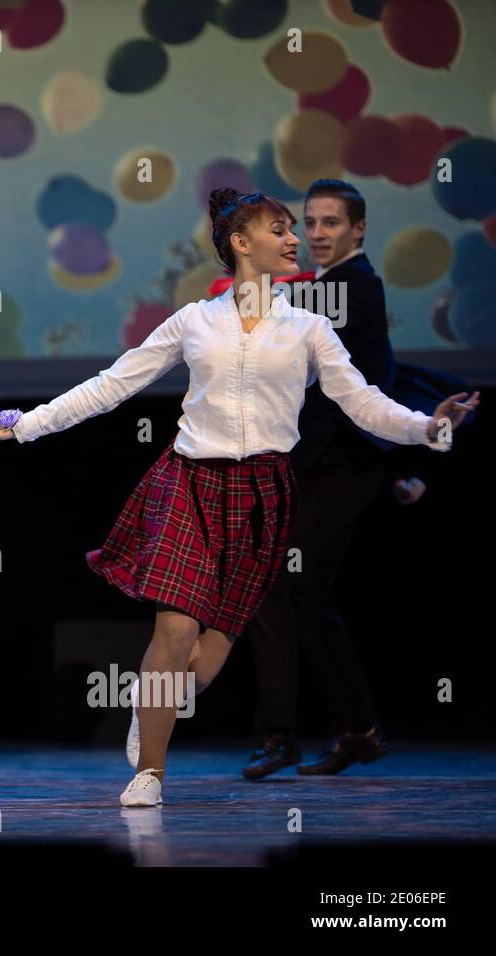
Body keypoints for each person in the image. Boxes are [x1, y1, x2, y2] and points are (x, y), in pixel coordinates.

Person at [0, 188, 478, 807]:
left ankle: (153, 707)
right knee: (173, 628)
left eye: (294, 229)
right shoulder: (193, 321)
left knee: (205, 660)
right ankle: (150, 771)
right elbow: (110, 385)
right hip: (190, 483)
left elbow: (362, 402)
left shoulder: (309, 328)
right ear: (240, 243)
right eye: (279, 229)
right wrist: (21, 424)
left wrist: (428, 427)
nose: (293, 239)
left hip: (263, 496)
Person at [241, 180, 466, 779]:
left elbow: (339, 378)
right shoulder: (332, 288)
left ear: (358, 230)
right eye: (309, 223)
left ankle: (281, 733)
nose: (316, 234)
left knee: (277, 583)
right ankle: (357, 730)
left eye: (330, 224)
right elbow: (382, 375)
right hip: (341, 464)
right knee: (304, 594)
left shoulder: (350, 287)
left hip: (343, 466)